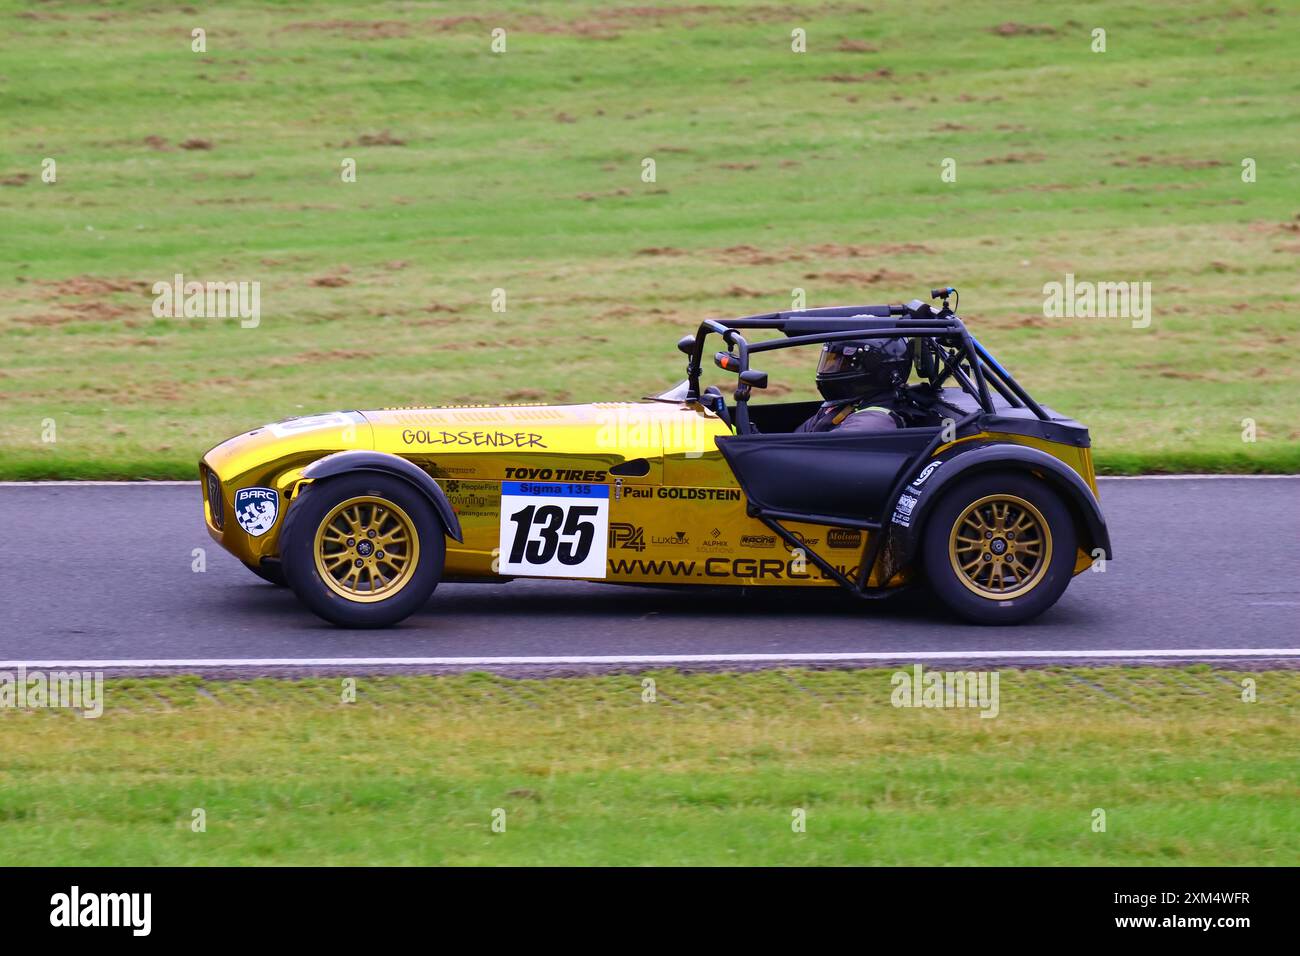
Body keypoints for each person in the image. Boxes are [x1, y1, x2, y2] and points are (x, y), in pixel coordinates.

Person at [796, 337, 914, 433]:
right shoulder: (845, 404)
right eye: (830, 362)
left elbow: (818, 453)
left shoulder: (874, 420)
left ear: (873, 367)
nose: (831, 369)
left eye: (842, 363)